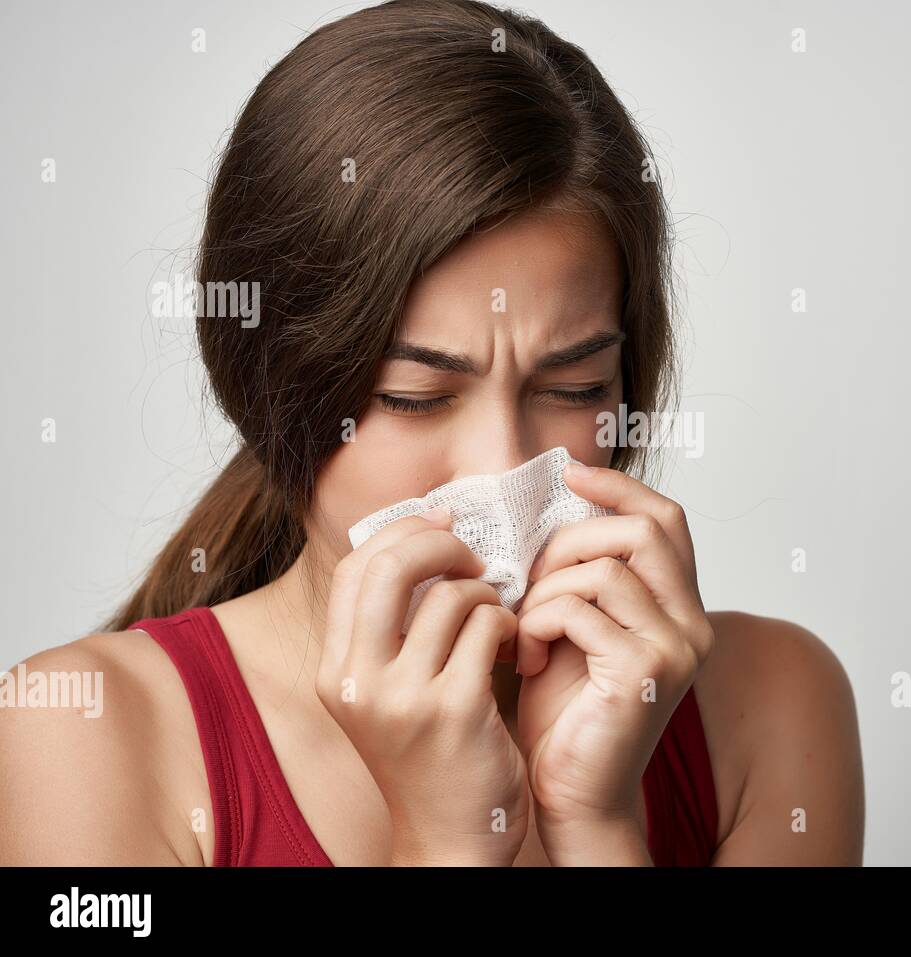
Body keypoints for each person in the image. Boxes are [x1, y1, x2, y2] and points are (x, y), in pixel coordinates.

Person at [0, 0, 863, 866]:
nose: (505, 466)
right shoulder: (78, 732)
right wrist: (447, 841)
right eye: (414, 396)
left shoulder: (774, 705)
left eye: (574, 386)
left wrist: (593, 820)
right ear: (269, 393)